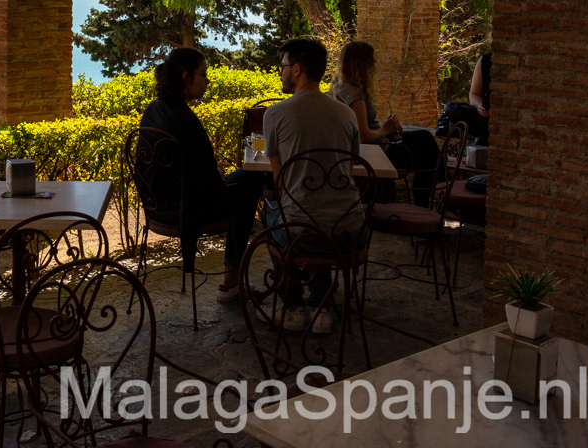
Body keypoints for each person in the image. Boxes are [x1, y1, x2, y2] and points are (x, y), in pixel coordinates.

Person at [139, 47, 263, 304]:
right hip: (191, 211)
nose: (207, 81)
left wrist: (211, 172)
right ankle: (231, 282)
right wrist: (216, 172)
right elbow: (208, 185)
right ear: (186, 77)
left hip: (158, 208)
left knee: (242, 180)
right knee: (251, 180)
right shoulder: (185, 120)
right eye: (203, 74)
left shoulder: (155, 110)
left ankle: (233, 281)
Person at [262, 37, 364, 334]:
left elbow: (281, 186)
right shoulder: (346, 113)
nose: (280, 72)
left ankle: (291, 305)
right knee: (316, 211)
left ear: (296, 69)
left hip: (303, 235)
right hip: (350, 232)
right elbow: (350, 166)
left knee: (272, 213)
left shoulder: (276, 114)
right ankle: (322, 305)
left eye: (282, 66)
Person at [328, 40, 439, 207]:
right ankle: (428, 200)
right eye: (372, 59)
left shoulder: (341, 89)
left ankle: (427, 199)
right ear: (362, 63)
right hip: (376, 153)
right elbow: (364, 136)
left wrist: (388, 129)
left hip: (377, 147)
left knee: (424, 140)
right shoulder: (354, 95)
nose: (375, 63)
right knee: (426, 145)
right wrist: (386, 129)